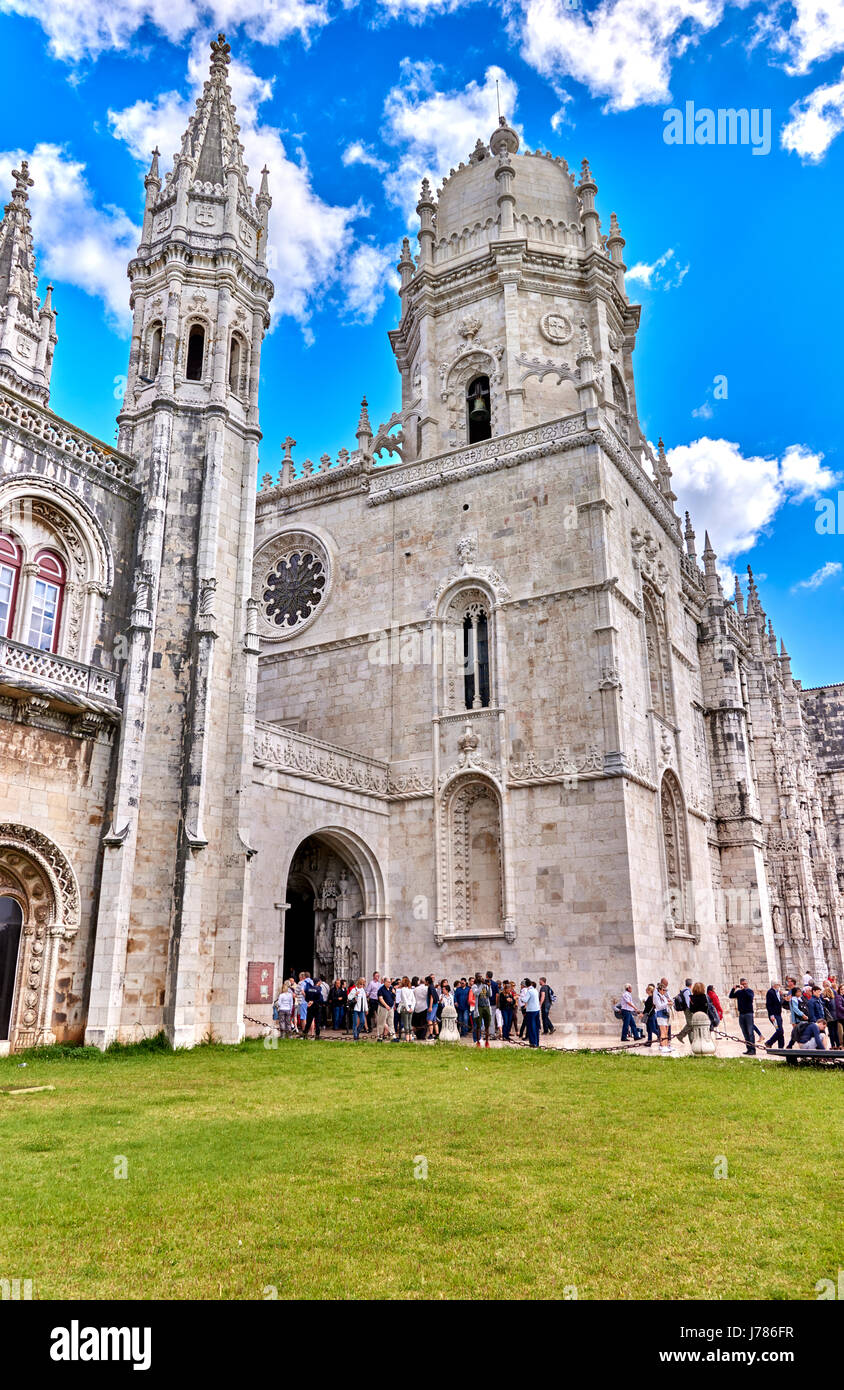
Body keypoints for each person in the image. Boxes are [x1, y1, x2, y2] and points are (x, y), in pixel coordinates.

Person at [729, 978, 756, 1055]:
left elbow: (750, 998)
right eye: (742, 984)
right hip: (741, 1014)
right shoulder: (739, 992)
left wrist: (744, 990)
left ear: (747, 984)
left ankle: (753, 1050)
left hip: (748, 1014)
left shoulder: (749, 991)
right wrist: (733, 989)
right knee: (745, 1032)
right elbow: (731, 996)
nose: (744, 985)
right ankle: (748, 1049)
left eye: (745, 984)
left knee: (750, 1032)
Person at [653, 979, 674, 1055]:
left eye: (665, 990)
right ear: (660, 990)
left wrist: (670, 1004)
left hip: (665, 1014)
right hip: (660, 1014)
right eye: (663, 990)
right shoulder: (656, 996)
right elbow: (659, 1006)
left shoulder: (663, 996)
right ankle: (663, 1045)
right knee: (663, 1031)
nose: (665, 991)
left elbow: (666, 1004)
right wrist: (667, 1004)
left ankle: (666, 1045)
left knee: (666, 1030)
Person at [472, 972, 492, 1048]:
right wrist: (482, 985)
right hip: (479, 1007)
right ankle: (478, 1042)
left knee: (487, 1025)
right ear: (476, 978)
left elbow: (490, 995)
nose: (481, 978)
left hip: (486, 1006)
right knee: (478, 1026)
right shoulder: (474, 986)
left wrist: (489, 986)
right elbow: (476, 993)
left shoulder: (486, 986)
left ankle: (487, 1042)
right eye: (479, 977)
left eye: (481, 976)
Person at [765, 981, 785, 1050]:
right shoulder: (770, 992)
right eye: (778, 985)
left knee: (780, 1031)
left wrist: (782, 996)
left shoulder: (778, 993)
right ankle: (769, 1043)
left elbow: (780, 1003)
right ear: (774, 985)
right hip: (774, 1016)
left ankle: (781, 1047)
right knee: (780, 1031)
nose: (779, 986)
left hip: (779, 1014)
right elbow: (768, 1005)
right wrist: (771, 1015)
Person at [673, 977, 694, 1044]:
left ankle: (692, 1041)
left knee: (691, 1025)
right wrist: (691, 1009)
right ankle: (680, 1035)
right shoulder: (687, 991)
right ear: (691, 985)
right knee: (690, 1024)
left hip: (687, 1009)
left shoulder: (685, 990)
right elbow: (688, 1002)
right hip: (688, 1010)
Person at [522, 978, 541, 1048]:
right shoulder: (535, 990)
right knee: (536, 1027)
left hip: (531, 1011)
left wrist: (520, 997)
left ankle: (533, 1043)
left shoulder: (529, 991)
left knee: (531, 1027)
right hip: (537, 1010)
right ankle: (537, 1042)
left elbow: (525, 1000)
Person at [412, 975, 429, 1040]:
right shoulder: (426, 988)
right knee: (424, 1023)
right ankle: (423, 1036)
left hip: (417, 1007)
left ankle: (418, 1035)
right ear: (424, 982)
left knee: (417, 1023)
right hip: (424, 1006)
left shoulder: (415, 989)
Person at [425, 975, 440, 1040]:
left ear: (427, 981)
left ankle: (431, 1035)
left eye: (425, 981)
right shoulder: (432, 986)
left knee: (429, 1020)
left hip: (432, 1005)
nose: (425, 982)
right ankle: (437, 1034)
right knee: (434, 1020)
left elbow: (431, 997)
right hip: (435, 1005)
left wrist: (430, 1007)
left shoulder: (430, 987)